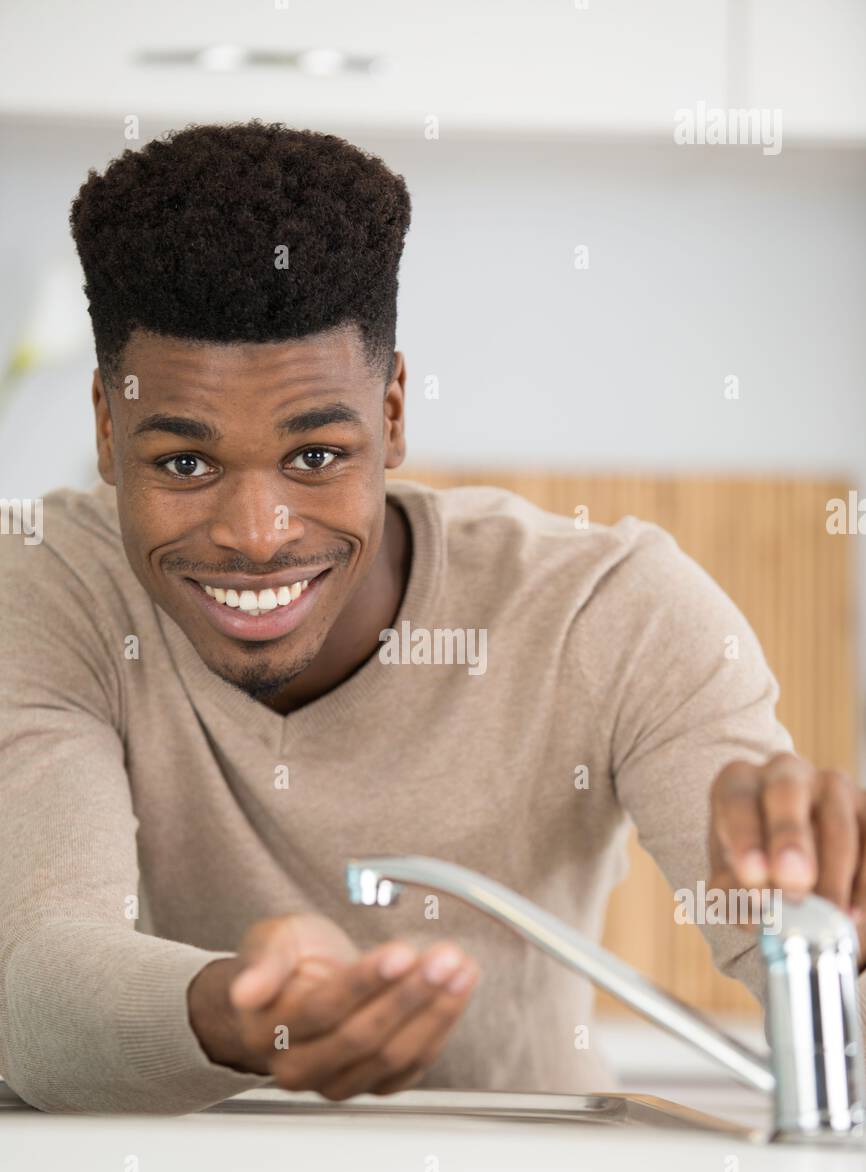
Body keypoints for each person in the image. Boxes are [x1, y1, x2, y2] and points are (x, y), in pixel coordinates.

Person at [1, 121, 863, 1114]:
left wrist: (828, 916)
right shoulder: (45, 584)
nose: (253, 535)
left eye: (316, 455)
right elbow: (40, 986)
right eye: (185, 463)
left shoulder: (609, 610)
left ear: (393, 413)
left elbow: (796, 961)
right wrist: (235, 1013)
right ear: (108, 429)